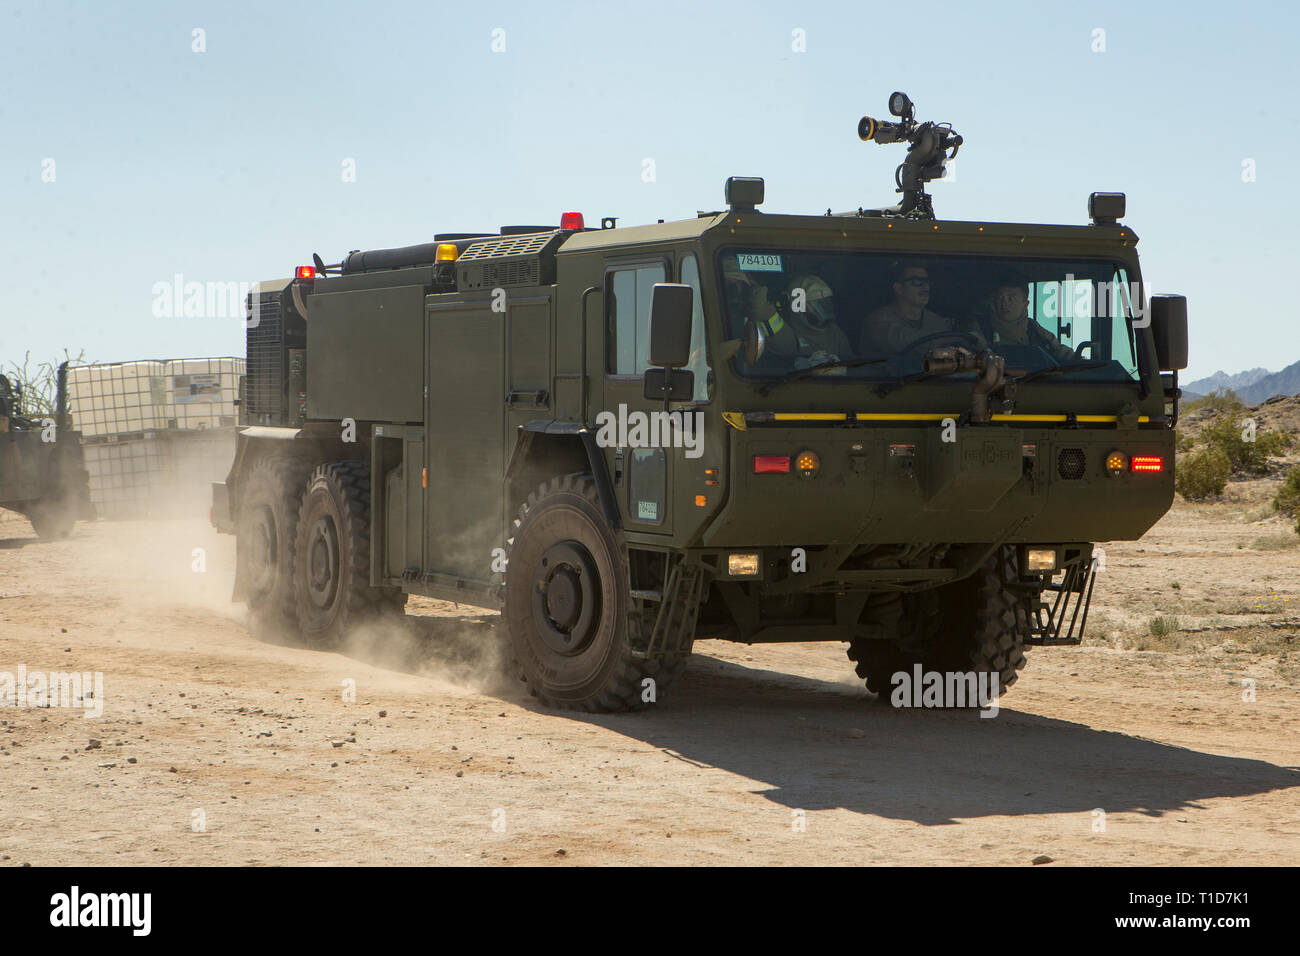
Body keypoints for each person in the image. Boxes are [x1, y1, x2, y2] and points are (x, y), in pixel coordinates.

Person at [764, 274, 853, 369]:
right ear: (799, 308)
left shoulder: (835, 332)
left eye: (826, 303)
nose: (823, 309)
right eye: (816, 305)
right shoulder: (789, 333)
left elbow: (851, 367)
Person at [860, 264, 952, 355]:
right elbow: (902, 340)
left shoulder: (937, 322)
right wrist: (950, 338)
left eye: (927, 282)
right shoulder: (877, 322)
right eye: (917, 281)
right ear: (898, 288)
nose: (926, 287)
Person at [977, 282, 1075, 362]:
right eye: (1000, 298)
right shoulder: (981, 328)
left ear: (1025, 304)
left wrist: (1078, 360)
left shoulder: (1033, 328)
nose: (1004, 303)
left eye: (1011, 298)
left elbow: (1059, 351)